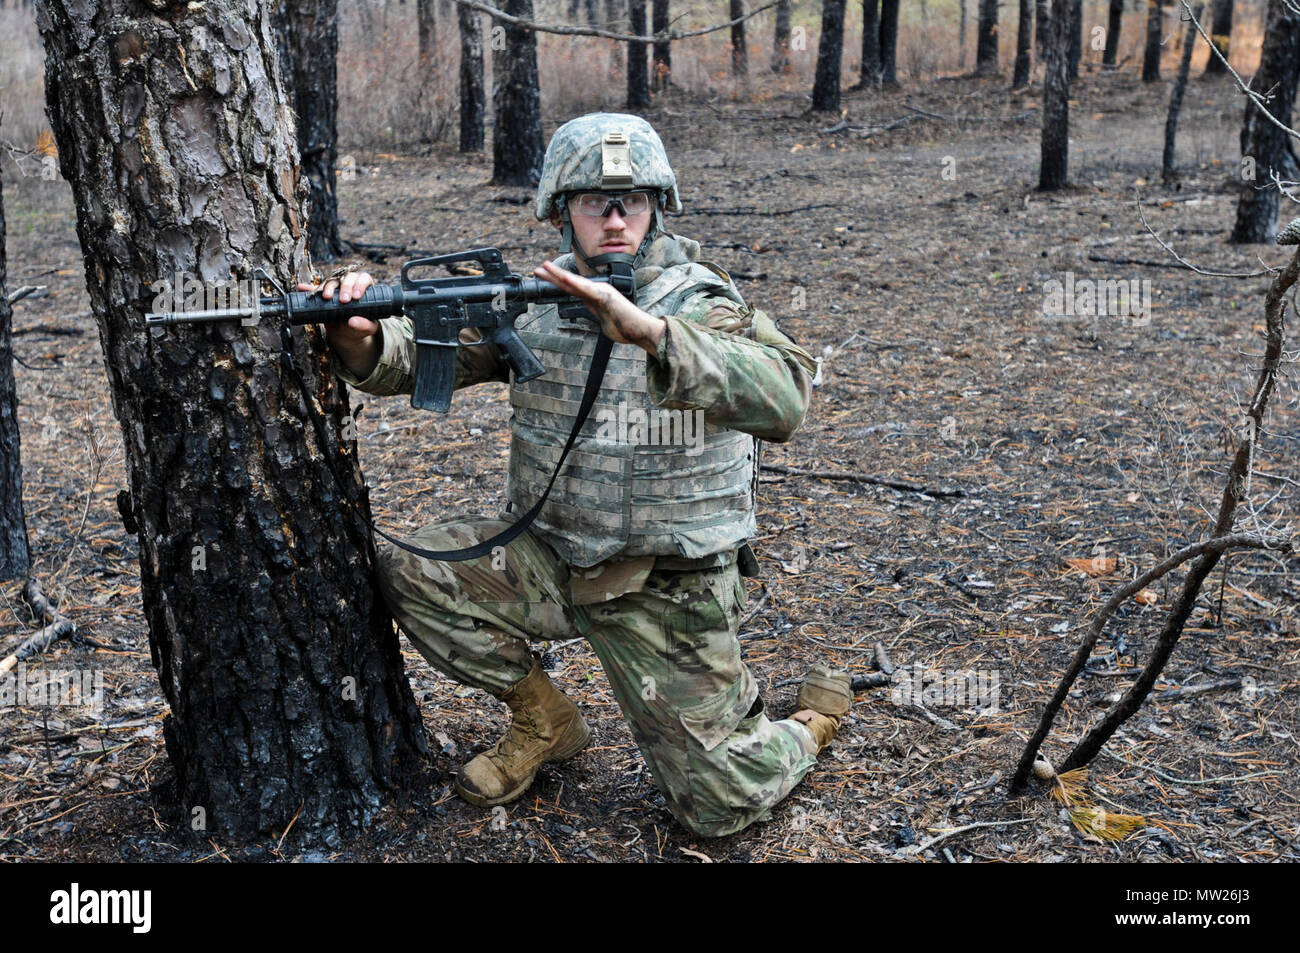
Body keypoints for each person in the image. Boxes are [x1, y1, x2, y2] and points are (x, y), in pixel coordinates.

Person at [310, 113, 852, 838]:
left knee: (722, 805)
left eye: (633, 200)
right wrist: (363, 334)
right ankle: (546, 718)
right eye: (597, 201)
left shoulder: (702, 303)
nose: (618, 217)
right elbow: (419, 358)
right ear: (563, 211)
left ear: (660, 205)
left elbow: (785, 397)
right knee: (408, 570)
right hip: (550, 559)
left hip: (661, 588)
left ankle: (803, 728)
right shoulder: (538, 304)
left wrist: (653, 335)